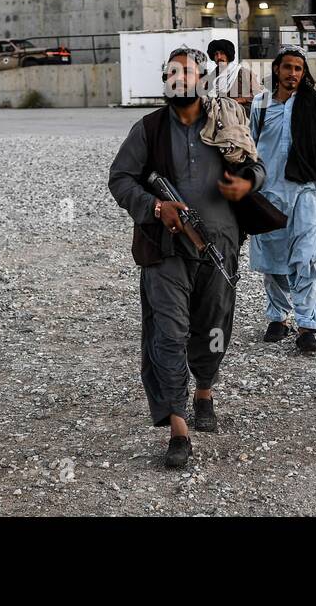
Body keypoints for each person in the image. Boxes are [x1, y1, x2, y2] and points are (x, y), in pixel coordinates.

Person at [108, 47, 267, 469]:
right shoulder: (149, 129)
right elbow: (120, 179)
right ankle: (177, 423)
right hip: (164, 249)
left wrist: (247, 184)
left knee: (213, 324)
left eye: (188, 72)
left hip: (220, 244)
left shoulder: (226, 121)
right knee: (168, 331)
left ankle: (205, 391)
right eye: (172, 73)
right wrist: (157, 208)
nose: (180, 79)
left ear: (202, 78)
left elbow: (257, 166)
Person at [249, 47, 316, 354]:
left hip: (304, 191)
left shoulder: (313, 103)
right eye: (287, 67)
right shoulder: (261, 103)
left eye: (298, 68)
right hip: (267, 193)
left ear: (303, 73)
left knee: (308, 257)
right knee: (273, 261)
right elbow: (249, 146)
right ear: (276, 70)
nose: (292, 73)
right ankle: (278, 318)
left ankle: (308, 325)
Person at [206, 38, 261, 109]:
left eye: (222, 53)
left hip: (240, 115)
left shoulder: (242, 72)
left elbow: (257, 95)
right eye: (216, 54)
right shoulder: (212, 76)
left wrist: (242, 99)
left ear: (228, 55)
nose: (219, 57)